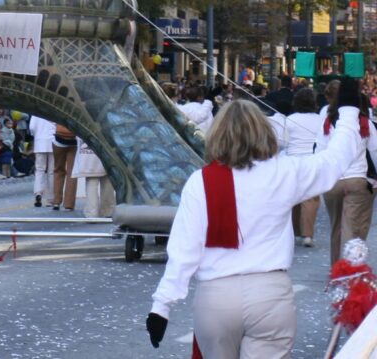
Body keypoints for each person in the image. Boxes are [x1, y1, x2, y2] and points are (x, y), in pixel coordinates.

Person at [146, 77, 364, 357]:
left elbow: (184, 249)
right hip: (269, 293)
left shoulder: (200, 182)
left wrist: (161, 306)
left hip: (216, 294)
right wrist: (347, 111)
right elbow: (335, 159)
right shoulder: (283, 172)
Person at [319, 80, 377, 266]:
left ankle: (335, 271)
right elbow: (375, 152)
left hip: (333, 181)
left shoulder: (328, 121)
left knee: (336, 227)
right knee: (353, 230)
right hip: (357, 179)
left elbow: (319, 150)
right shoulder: (364, 122)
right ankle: (351, 273)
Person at [280, 86, 323, 247]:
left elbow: (283, 142)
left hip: (293, 161)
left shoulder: (290, 119)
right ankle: (307, 235)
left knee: (292, 198)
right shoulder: (320, 120)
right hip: (312, 160)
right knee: (311, 198)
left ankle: (293, 231)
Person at [73, 139, 115, 218]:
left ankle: (92, 212)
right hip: (106, 151)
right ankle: (108, 211)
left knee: (91, 183)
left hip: (88, 155)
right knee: (107, 182)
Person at [27, 115, 56, 207]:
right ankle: (50, 198)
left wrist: (37, 134)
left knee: (39, 170)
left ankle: (38, 192)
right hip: (52, 141)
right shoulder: (52, 111)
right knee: (51, 171)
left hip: (39, 142)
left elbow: (32, 127)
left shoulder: (36, 113)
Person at [52, 123, 78, 211]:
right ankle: (69, 204)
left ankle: (56, 201)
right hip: (73, 141)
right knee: (72, 173)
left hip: (59, 140)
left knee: (58, 170)